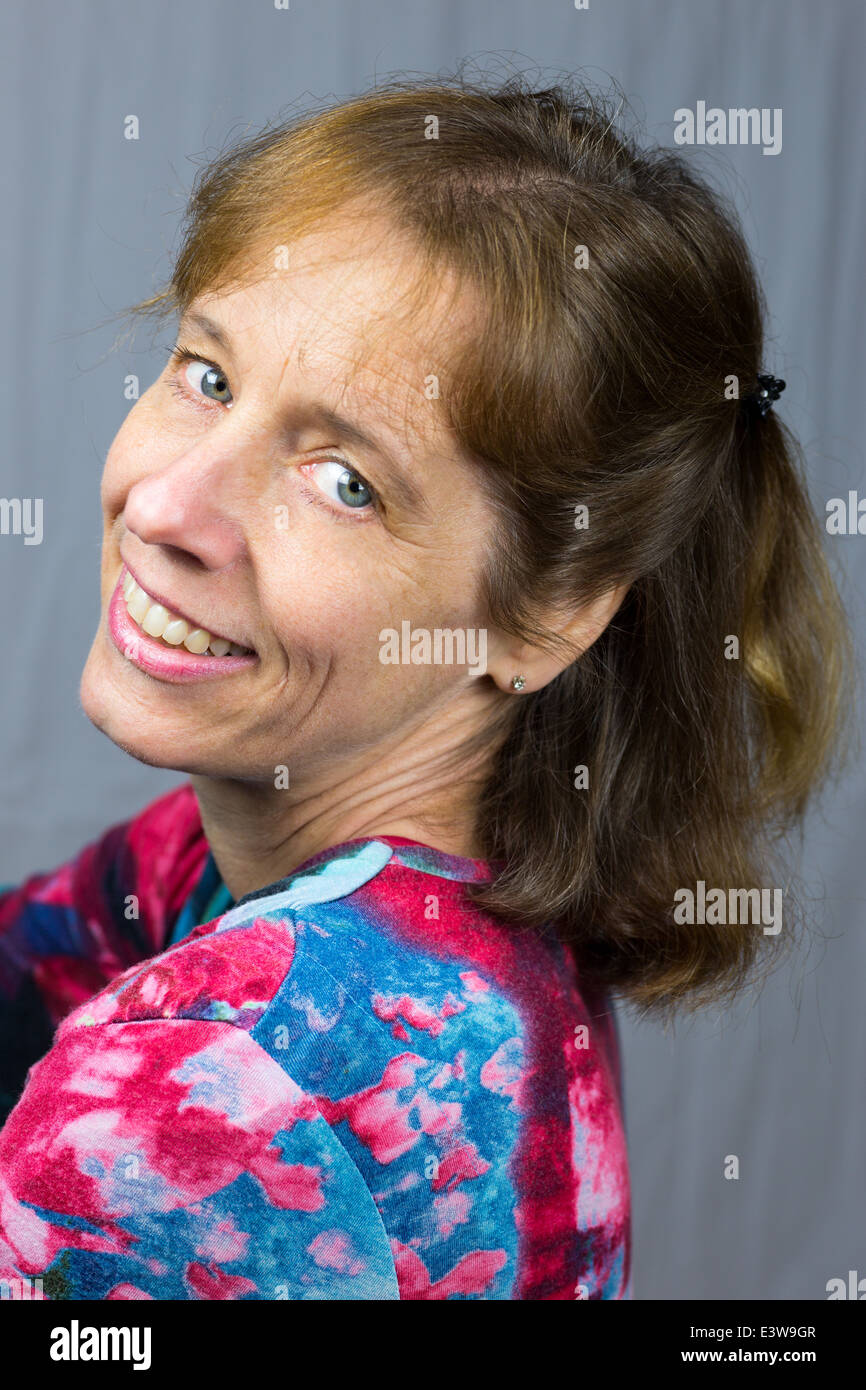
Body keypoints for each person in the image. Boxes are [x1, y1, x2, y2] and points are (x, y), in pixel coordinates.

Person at [0, 74, 849, 1300]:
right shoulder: (404, 898)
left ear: (544, 613)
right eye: (207, 376)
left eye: (346, 481)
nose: (167, 505)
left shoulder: (179, 1099)